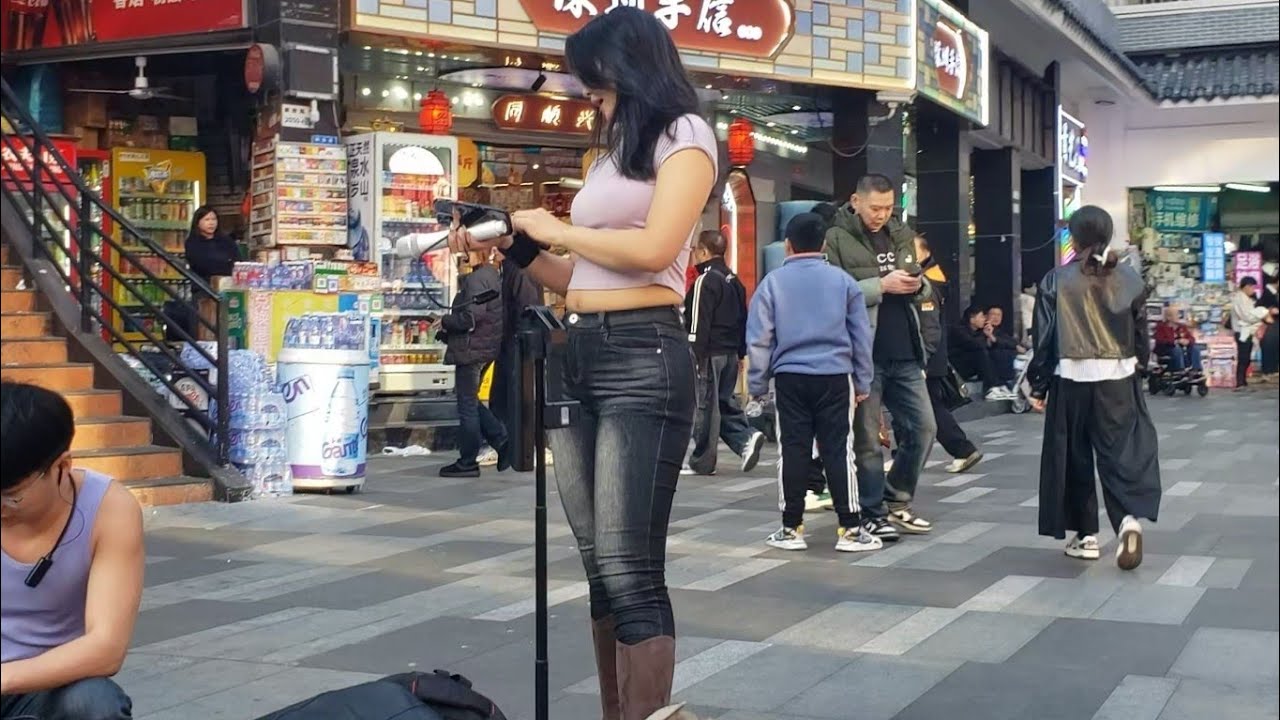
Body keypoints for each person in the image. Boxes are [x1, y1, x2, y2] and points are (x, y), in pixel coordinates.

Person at [447, 8, 716, 716]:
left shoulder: (684, 137)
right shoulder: (607, 155)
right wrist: (512, 246)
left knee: (630, 566)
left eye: (596, 83)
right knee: (601, 568)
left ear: (629, 68)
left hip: (644, 354)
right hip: (579, 351)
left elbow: (657, 254)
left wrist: (559, 227)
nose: (589, 96)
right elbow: (578, 280)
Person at [1028, 206, 1160, 571]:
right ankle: (1128, 522)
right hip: (1119, 378)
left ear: (1074, 236)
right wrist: (1140, 371)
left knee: (1074, 455)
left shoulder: (1056, 280)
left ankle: (1085, 537)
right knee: (1120, 454)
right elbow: (1140, 336)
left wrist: (1037, 386)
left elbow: (1043, 339)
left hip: (1071, 377)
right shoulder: (1130, 279)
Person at [1, 381, 143, 720]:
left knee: (94, 703)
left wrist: (4, 678)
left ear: (62, 466)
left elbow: (106, 648)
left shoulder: (108, 509)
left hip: (50, 684)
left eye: (11, 496)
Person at [746, 213, 879, 553]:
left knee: (792, 450)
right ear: (823, 245)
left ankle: (791, 528)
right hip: (835, 377)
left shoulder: (772, 284)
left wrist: (758, 385)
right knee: (838, 449)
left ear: (787, 245)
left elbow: (760, 340)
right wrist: (863, 381)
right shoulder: (844, 282)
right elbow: (860, 336)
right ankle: (850, 528)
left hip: (790, 378)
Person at [824, 174, 937, 542]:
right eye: (876, 208)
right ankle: (871, 512)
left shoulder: (902, 233)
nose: (882, 215)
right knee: (868, 440)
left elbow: (923, 280)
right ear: (856, 201)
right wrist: (880, 286)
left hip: (904, 348)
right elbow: (829, 293)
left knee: (924, 427)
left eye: (888, 208)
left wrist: (919, 284)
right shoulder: (836, 238)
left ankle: (897, 497)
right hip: (863, 354)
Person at [683, 230, 764, 476]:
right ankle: (746, 439)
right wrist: (740, 352)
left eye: (696, 249)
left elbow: (698, 322)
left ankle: (703, 460)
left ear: (704, 251)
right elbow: (743, 317)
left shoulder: (704, 281)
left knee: (706, 405)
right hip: (730, 351)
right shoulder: (734, 280)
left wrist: (694, 355)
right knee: (723, 402)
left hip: (709, 352)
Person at [912, 236, 983, 473]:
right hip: (930, 357)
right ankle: (906, 455)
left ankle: (963, 449)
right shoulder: (933, 278)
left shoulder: (929, 284)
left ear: (923, 253)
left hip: (926, 358)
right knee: (917, 407)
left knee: (929, 407)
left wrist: (924, 359)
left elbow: (929, 328)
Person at [438, 250, 509, 478]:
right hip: (481, 348)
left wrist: (444, 321)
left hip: (472, 351)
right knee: (471, 401)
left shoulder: (478, 280)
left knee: (467, 406)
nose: (463, 258)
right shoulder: (490, 276)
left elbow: (470, 318)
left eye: (466, 254)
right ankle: (501, 441)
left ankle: (468, 460)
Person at [485, 255, 544, 466]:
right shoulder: (511, 268)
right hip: (512, 338)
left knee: (513, 392)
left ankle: (513, 443)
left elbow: (524, 305)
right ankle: (508, 442)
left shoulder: (517, 268)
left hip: (517, 340)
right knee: (505, 391)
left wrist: (518, 336)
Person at [950, 306, 1017, 401]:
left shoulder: (980, 331)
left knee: (998, 352)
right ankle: (992, 388)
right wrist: (987, 337)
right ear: (972, 319)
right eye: (981, 317)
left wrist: (990, 336)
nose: (984, 319)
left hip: (973, 365)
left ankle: (1000, 384)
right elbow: (975, 344)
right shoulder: (959, 330)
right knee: (981, 352)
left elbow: (1010, 343)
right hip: (958, 367)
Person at [1230, 277, 1269, 390]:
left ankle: (1243, 381)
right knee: (1243, 357)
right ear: (1247, 286)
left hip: (1248, 331)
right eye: (1252, 287)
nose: (1253, 290)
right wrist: (1261, 315)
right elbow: (1246, 316)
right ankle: (1240, 382)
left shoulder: (1247, 299)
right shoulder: (1239, 299)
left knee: (1246, 357)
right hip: (1241, 331)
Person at [183, 206, 239, 285]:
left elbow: (237, 262)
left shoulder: (227, 241)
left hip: (227, 285)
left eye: (214, 219)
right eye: (207, 219)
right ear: (198, 223)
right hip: (203, 287)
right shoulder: (192, 243)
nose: (211, 223)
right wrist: (224, 262)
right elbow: (201, 265)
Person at [1152, 306, 1203, 375]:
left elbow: (1191, 338)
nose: (1178, 316)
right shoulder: (1161, 328)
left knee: (1195, 347)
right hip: (1167, 351)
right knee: (1177, 349)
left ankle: (1196, 370)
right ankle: (1180, 371)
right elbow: (1161, 341)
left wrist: (1187, 341)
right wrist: (1176, 341)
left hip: (1181, 352)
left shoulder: (1181, 327)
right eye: (1176, 314)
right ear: (1169, 317)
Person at [985, 305, 1023, 381]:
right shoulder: (984, 329)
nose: (996, 317)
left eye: (999, 315)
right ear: (986, 316)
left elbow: (1011, 342)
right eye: (993, 314)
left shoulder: (1000, 330)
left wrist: (1015, 346)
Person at [1255, 273, 1279, 382]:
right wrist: (1269, 311)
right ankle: (1268, 371)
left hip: (1273, 325)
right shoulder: (1267, 293)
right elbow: (1258, 307)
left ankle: (1272, 370)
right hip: (1269, 325)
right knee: (1269, 346)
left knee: (1273, 347)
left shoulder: (1273, 292)